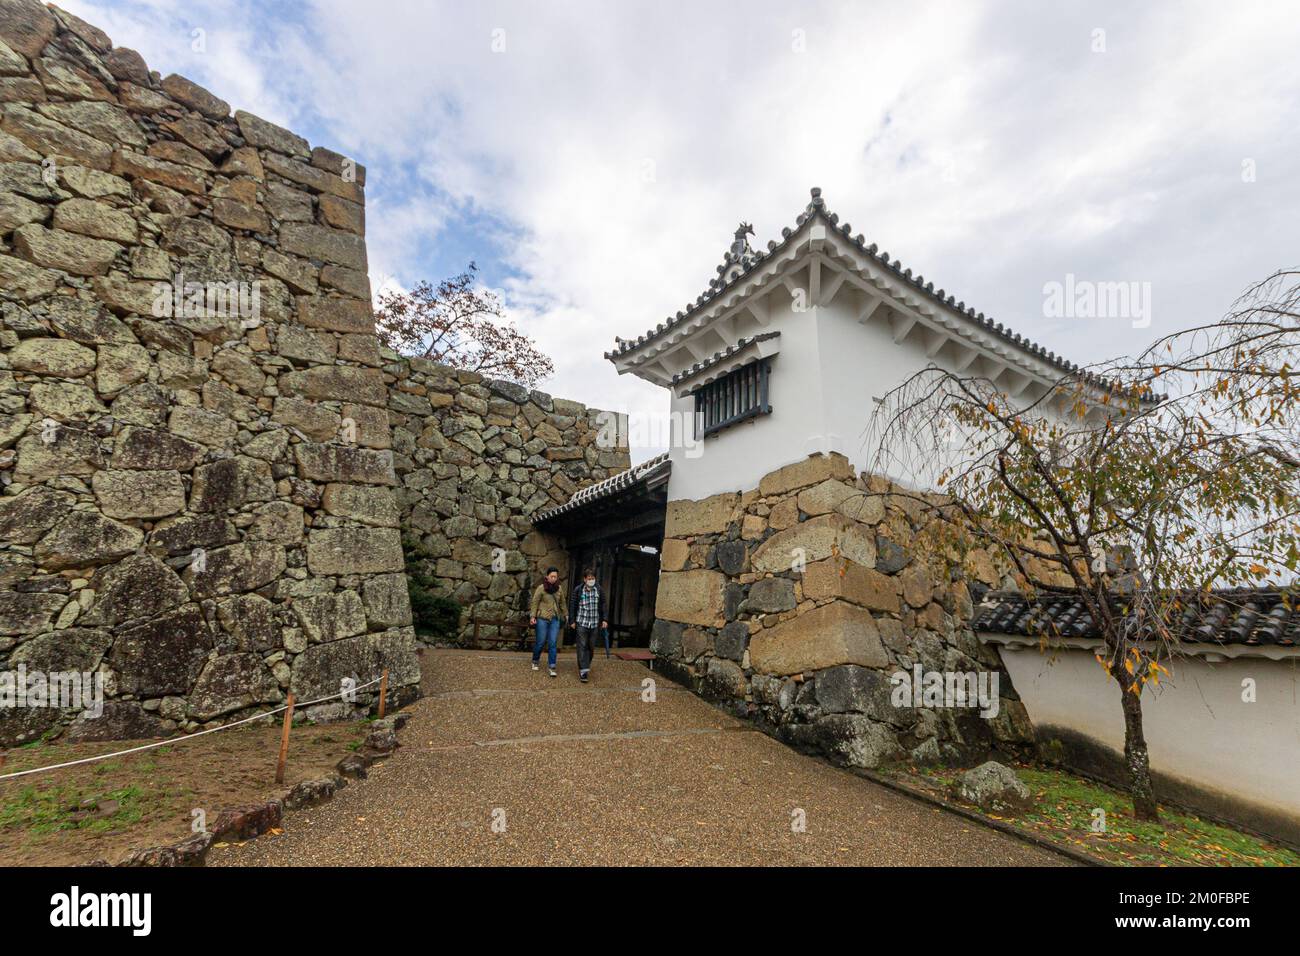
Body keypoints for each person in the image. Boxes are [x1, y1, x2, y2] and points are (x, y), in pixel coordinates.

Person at [569, 568, 607, 683]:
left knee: (590, 647)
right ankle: (583, 671)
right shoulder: (578, 590)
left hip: (594, 624)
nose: (591, 580)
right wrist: (572, 621)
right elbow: (573, 605)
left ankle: (586, 664)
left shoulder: (599, 590)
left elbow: (604, 604)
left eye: (593, 578)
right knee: (582, 646)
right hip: (582, 623)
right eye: (589, 578)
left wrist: (605, 619)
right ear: (584, 579)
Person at [529, 567, 567, 677]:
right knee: (540, 642)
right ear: (547, 576)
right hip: (542, 618)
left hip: (555, 619)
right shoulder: (541, 588)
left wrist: (566, 614)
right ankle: (535, 660)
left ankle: (552, 666)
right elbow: (535, 603)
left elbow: (562, 603)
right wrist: (533, 616)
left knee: (553, 643)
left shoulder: (559, 589)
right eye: (552, 576)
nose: (554, 578)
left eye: (555, 576)